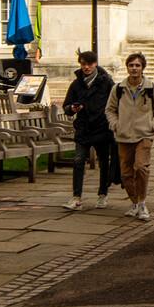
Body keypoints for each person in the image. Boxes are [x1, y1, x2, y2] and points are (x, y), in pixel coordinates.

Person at [106, 51, 154, 221]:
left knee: (141, 167)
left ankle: (142, 203)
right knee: (126, 174)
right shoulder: (118, 89)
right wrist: (115, 124)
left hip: (144, 135)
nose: (134, 68)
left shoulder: (151, 88)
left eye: (137, 65)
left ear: (142, 68)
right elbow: (110, 110)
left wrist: (153, 125)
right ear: (127, 67)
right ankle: (134, 202)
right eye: (131, 65)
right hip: (123, 136)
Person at [62, 50, 114, 210]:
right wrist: (72, 108)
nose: (86, 67)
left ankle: (103, 194)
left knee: (104, 162)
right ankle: (76, 197)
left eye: (89, 64)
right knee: (78, 160)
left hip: (102, 128)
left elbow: (115, 103)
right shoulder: (76, 84)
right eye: (83, 64)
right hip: (84, 128)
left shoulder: (106, 82)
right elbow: (67, 106)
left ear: (95, 64)